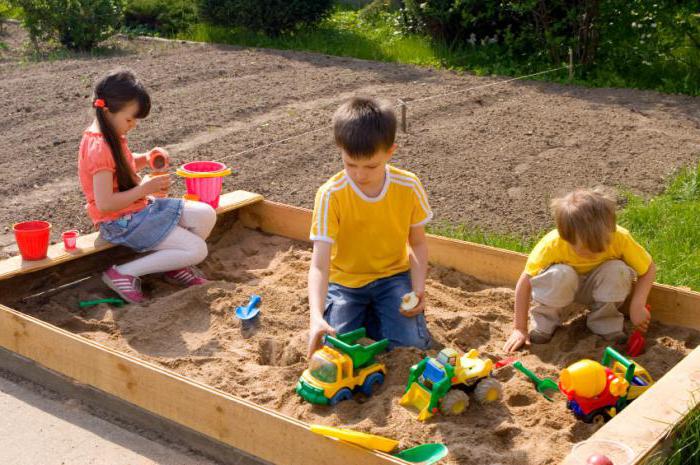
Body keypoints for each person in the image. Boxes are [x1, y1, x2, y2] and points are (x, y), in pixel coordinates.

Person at [307, 97, 433, 357]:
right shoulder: (331, 194)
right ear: (340, 150)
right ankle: (370, 318)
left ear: (390, 152)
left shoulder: (408, 186)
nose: (360, 175)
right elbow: (319, 264)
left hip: (393, 278)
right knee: (335, 351)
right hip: (345, 284)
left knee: (412, 347)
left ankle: (374, 318)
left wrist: (418, 288)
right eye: (350, 164)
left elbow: (418, 243)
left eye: (371, 166)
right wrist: (316, 318)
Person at [78, 69, 216, 304]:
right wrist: (144, 188)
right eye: (130, 119)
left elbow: (124, 164)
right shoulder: (99, 147)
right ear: (107, 110)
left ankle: (174, 265)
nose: (133, 125)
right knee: (198, 250)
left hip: (138, 209)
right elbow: (105, 204)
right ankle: (122, 274)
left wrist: (147, 158)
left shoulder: (110, 133)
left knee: (205, 214)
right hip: (120, 221)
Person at [503, 188, 655, 352]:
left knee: (617, 269)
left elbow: (647, 269)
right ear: (566, 238)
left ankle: (605, 323)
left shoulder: (620, 238)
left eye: (601, 248)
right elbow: (524, 283)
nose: (594, 253)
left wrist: (637, 305)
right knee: (561, 274)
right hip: (561, 290)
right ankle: (544, 322)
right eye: (585, 250)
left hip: (598, 288)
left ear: (611, 230)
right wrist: (520, 328)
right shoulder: (553, 244)